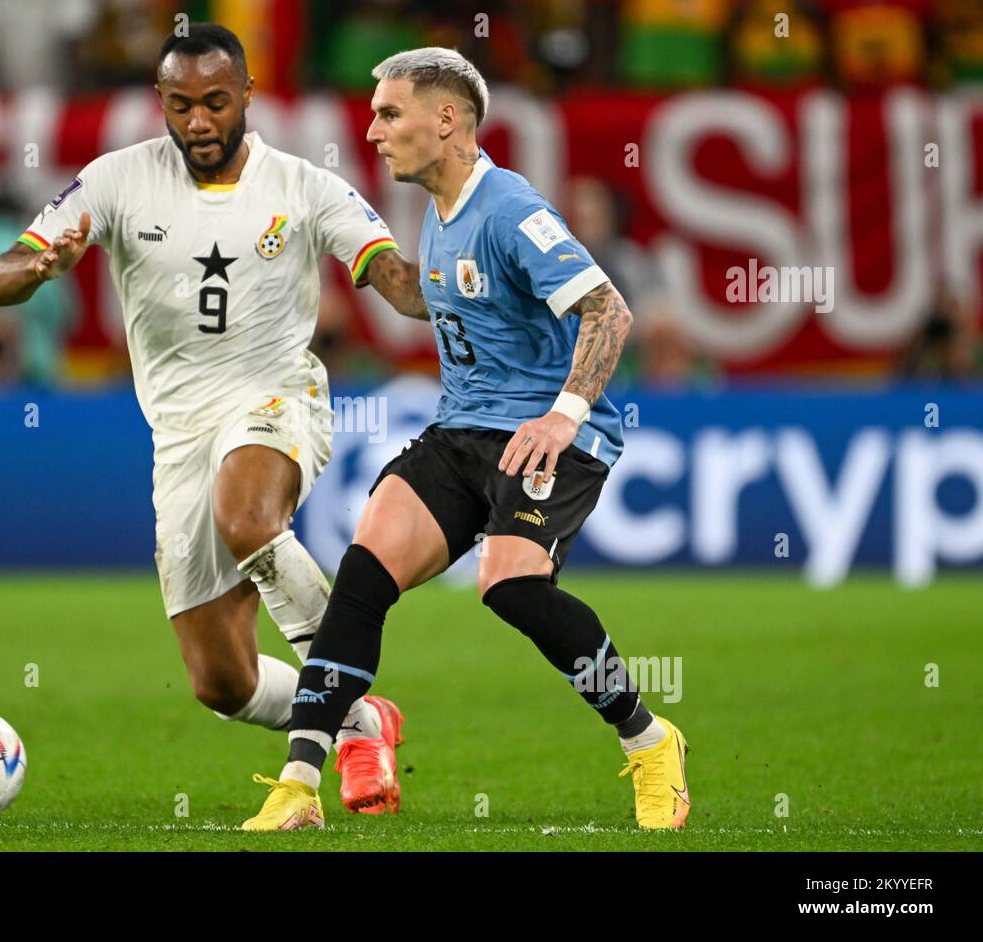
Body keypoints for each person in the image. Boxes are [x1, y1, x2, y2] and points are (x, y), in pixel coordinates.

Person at [0, 24, 431, 815]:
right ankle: (364, 713)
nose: (198, 122)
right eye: (181, 104)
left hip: (276, 396)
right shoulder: (115, 181)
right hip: (179, 433)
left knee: (248, 517)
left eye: (216, 103)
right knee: (222, 682)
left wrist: (461, 289)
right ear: (160, 101)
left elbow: (393, 277)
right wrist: (37, 265)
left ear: (248, 97)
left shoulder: (304, 186)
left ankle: (341, 737)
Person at [242, 47, 691, 832]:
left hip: (544, 435)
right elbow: (432, 296)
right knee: (364, 570)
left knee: (511, 587)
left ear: (446, 119)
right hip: (459, 432)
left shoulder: (511, 208)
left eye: (390, 113)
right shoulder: (441, 212)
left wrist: (563, 416)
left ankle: (651, 740)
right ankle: (299, 785)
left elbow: (609, 311)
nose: (375, 131)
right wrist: (350, 245)